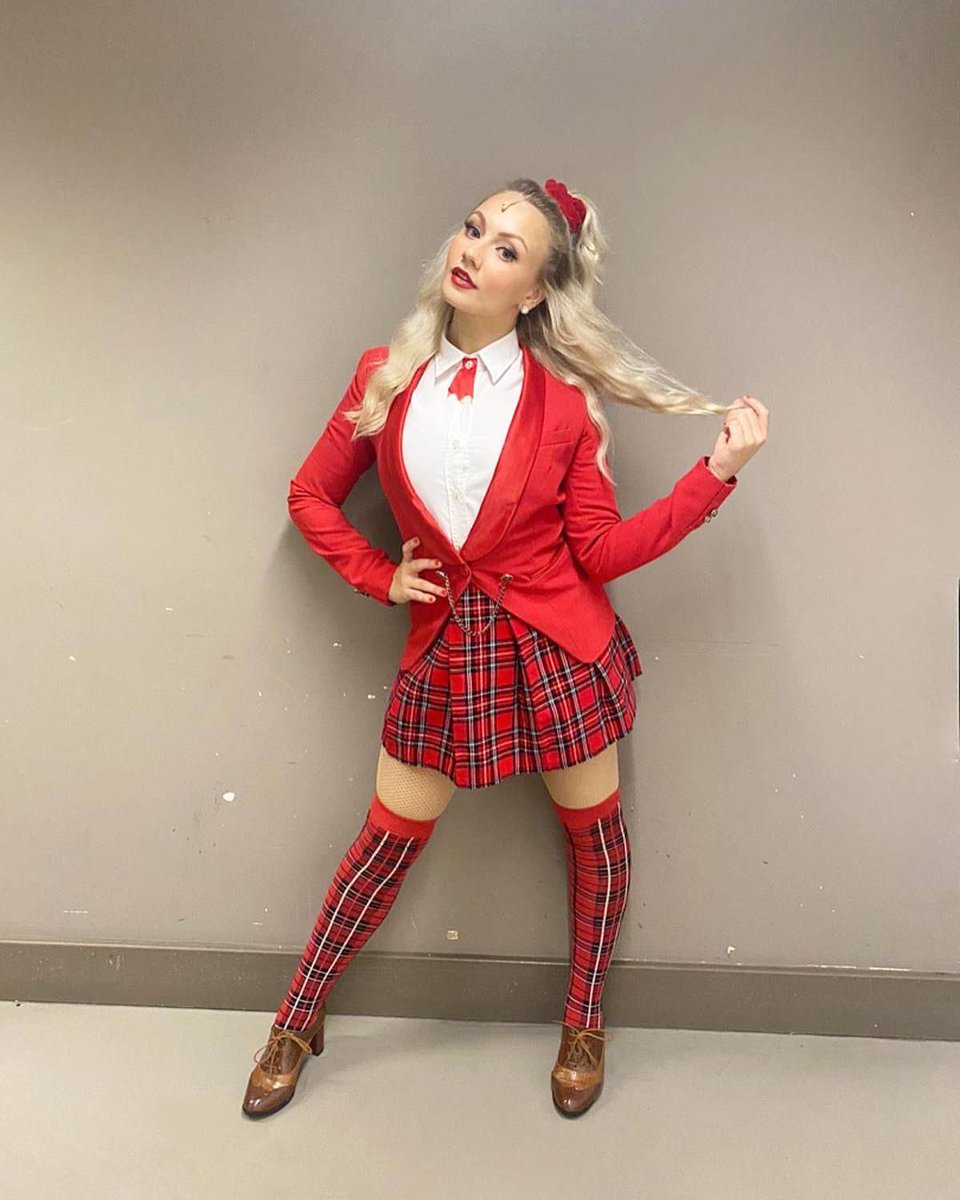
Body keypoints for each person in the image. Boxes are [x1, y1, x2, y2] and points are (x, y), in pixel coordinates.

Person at [242, 176, 768, 1120]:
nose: (474, 250)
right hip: (445, 650)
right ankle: (298, 1017)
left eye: (506, 248)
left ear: (533, 292)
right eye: (474, 228)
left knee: (594, 837)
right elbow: (308, 495)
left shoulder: (564, 404)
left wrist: (714, 475)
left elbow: (599, 552)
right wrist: (379, 575)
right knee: (384, 841)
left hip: (559, 649)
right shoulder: (384, 373)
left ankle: (584, 1023)